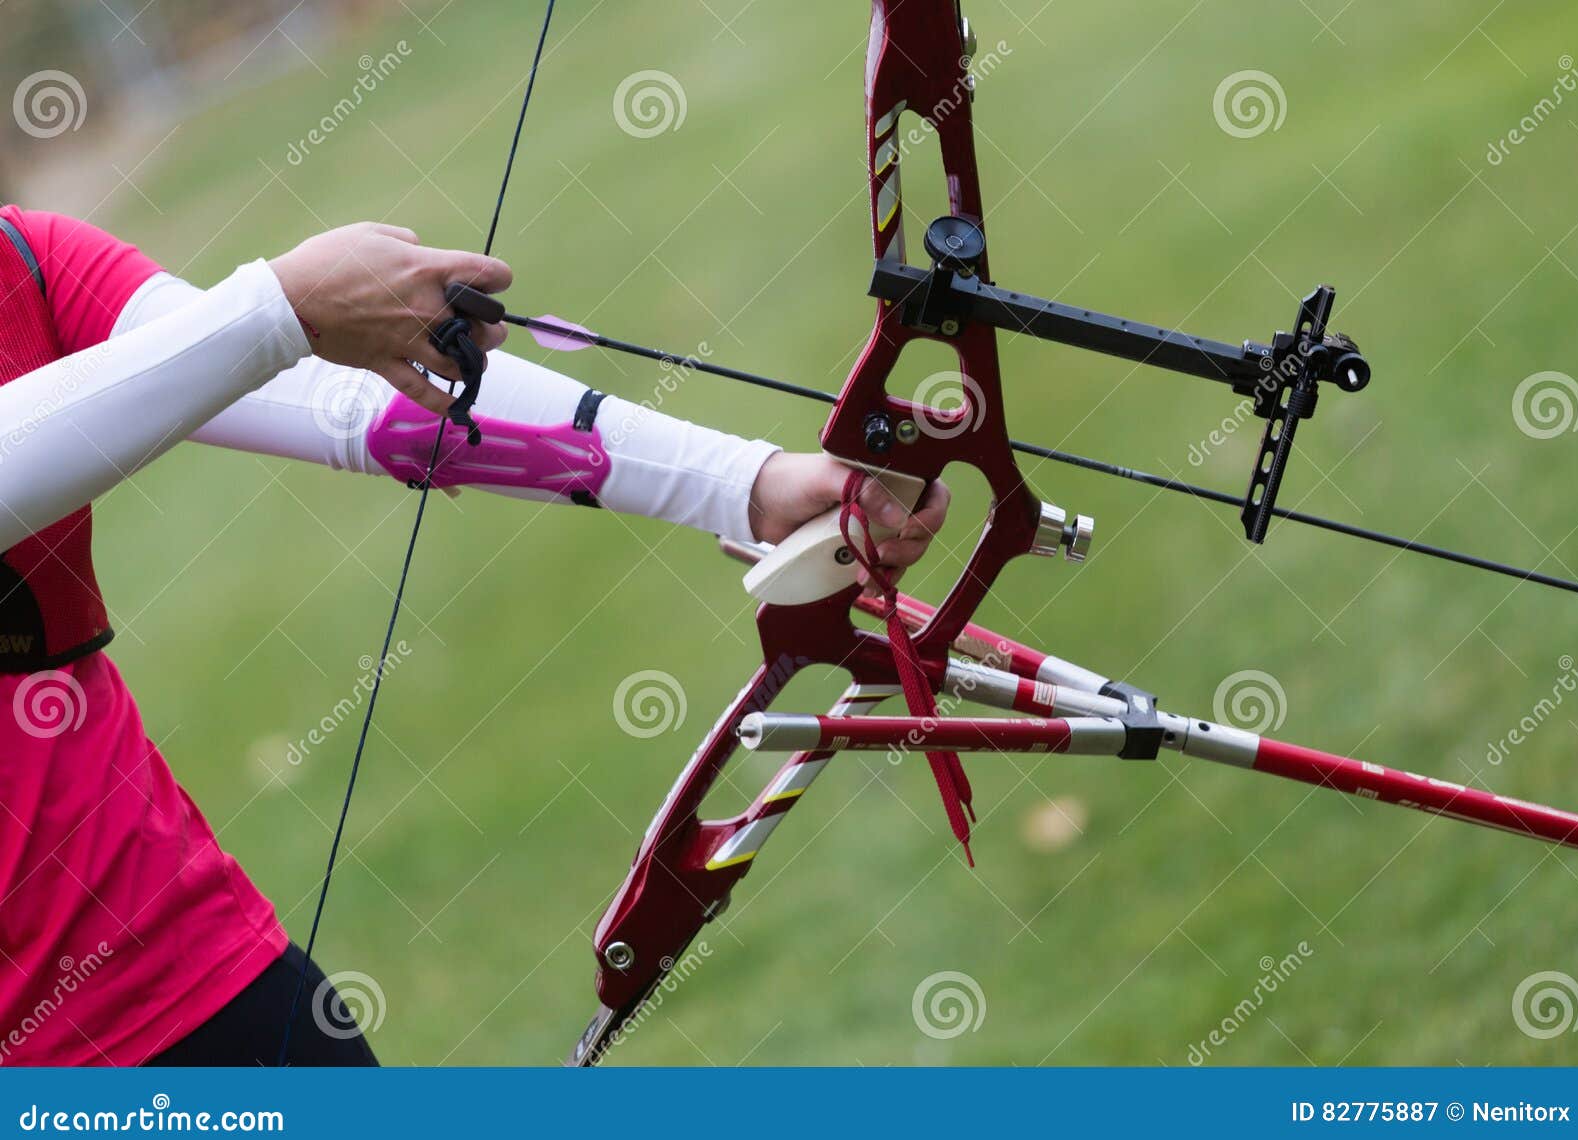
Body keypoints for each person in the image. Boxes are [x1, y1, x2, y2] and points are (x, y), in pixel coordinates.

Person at [0, 208, 950, 1066]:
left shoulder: (24, 265)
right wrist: (282, 306)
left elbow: (345, 402)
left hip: (190, 975)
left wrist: (749, 482)